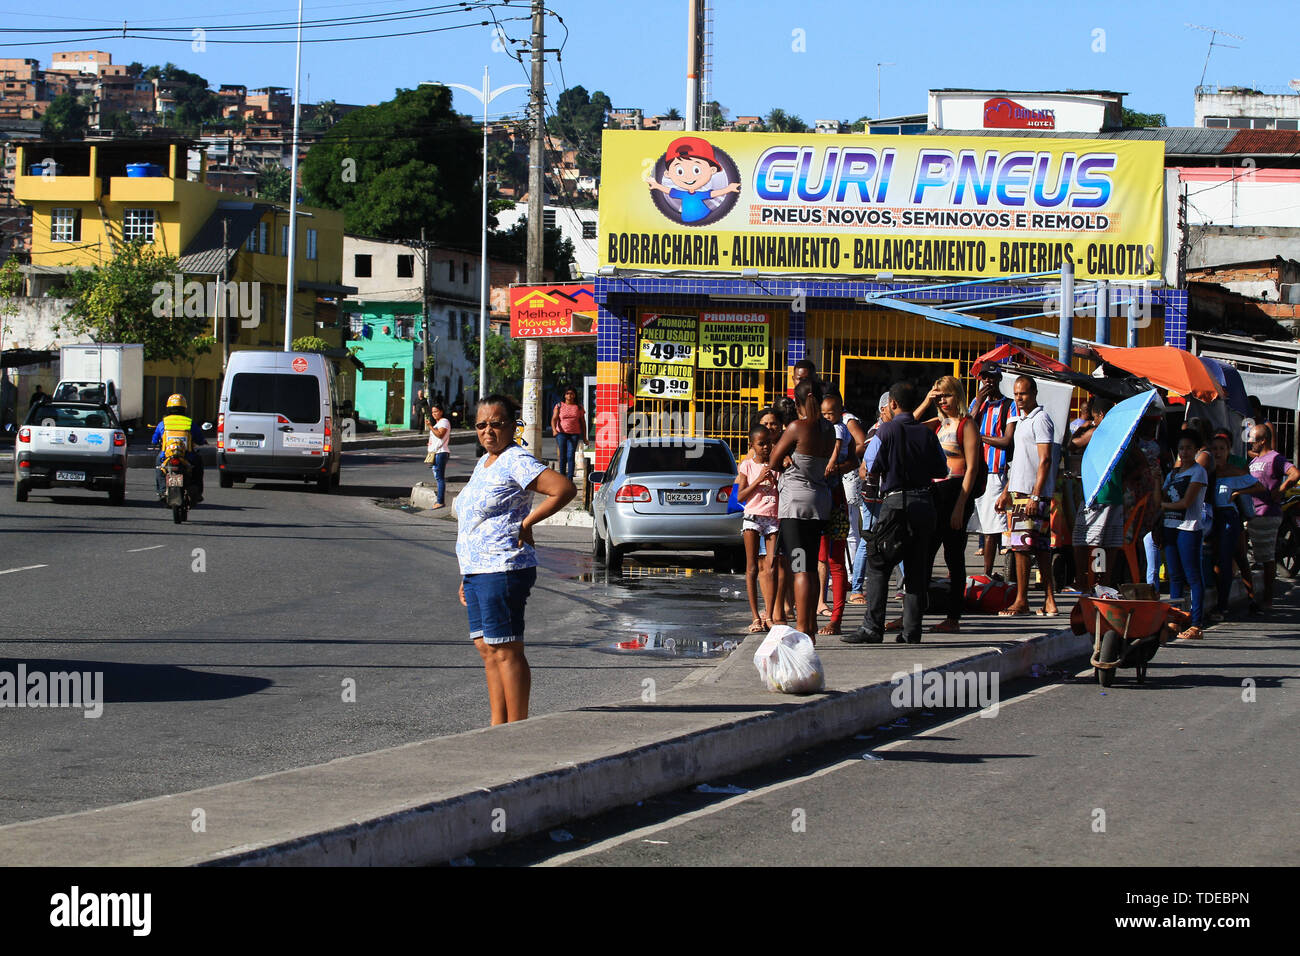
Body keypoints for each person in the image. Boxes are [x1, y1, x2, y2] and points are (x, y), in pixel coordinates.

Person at [456, 394, 576, 725]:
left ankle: (517, 728)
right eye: (482, 425)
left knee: (507, 650)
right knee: (487, 648)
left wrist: (526, 523)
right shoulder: (484, 462)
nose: (488, 431)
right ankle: (498, 724)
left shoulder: (515, 460)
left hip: (504, 566)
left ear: (513, 426)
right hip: (478, 570)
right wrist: (466, 576)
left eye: (497, 424)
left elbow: (563, 489)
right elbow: (473, 521)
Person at [846, 381, 947, 645]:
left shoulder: (885, 431)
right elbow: (942, 470)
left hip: (895, 502)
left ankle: (872, 628)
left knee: (878, 563)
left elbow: (869, 466)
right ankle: (912, 631)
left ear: (892, 403)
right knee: (916, 568)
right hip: (924, 504)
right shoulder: (927, 434)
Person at [769, 377, 837, 641]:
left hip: (795, 507)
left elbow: (774, 461)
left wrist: (785, 459)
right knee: (811, 562)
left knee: (799, 567)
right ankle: (809, 625)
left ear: (796, 402)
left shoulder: (797, 427)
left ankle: (802, 627)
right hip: (819, 504)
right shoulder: (829, 430)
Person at [915, 374, 980, 633]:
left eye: (947, 395)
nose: (942, 400)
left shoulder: (967, 425)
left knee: (954, 557)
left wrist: (960, 506)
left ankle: (953, 617)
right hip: (935, 492)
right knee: (924, 556)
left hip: (956, 492)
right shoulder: (938, 424)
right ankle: (915, 613)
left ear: (958, 395)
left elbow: (972, 468)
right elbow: (905, 424)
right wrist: (925, 400)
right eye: (939, 396)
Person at [997, 376, 1059, 617]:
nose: (1018, 398)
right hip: (1018, 490)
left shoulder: (1041, 419)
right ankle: (1050, 601)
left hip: (1032, 494)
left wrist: (1035, 495)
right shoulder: (1020, 420)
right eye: (1015, 394)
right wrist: (1005, 492)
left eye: (1022, 393)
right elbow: (1019, 461)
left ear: (1033, 393)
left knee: (1022, 548)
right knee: (1040, 549)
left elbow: (1045, 460)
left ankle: (1022, 600)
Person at [1207, 431, 1267, 623]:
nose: (1217, 452)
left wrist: (1238, 492)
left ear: (1228, 451)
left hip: (1229, 518)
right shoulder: (1206, 470)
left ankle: (1223, 605)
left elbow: (1259, 487)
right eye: (1214, 449)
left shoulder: (1234, 470)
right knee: (1216, 560)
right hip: (1210, 517)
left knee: (1229, 560)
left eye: (1221, 449)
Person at [1068, 396, 1126, 592]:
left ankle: (1082, 580)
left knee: (1082, 540)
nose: (1093, 421)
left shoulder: (1097, 432)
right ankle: (1103, 582)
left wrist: (1081, 429)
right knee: (1107, 543)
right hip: (1115, 496)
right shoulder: (1123, 434)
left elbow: (1072, 445)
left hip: (1096, 494)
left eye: (1094, 417)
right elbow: (1139, 463)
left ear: (1101, 415)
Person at [1160, 430, 1209, 640]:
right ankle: (1175, 620)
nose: (1185, 451)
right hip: (1170, 526)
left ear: (1196, 450)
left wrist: (1161, 505)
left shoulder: (1199, 473)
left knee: (1193, 577)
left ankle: (1196, 624)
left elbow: (1186, 502)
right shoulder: (1173, 474)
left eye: (1189, 448)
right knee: (1175, 576)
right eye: (1182, 448)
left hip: (1189, 528)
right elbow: (1161, 493)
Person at [1246, 423, 1300, 609]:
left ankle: (1268, 599)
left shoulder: (1275, 458)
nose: (1251, 443)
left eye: (1254, 440)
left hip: (1267, 514)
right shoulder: (1254, 461)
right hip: (1253, 513)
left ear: (1263, 440)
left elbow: (1294, 473)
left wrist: (1282, 489)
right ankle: (1255, 597)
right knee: (1255, 557)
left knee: (1267, 556)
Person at [970, 366, 1016, 577]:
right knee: (967, 524)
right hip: (973, 470)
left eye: (991, 378)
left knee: (991, 527)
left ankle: (987, 574)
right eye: (984, 378)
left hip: (994, 472)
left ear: (998, 379)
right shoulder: (977, 405)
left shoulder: (1009, 405)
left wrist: (981, 438)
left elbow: (1007, 440)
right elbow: (965, 426)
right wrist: (978, 402)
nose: (988, 382)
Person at [848, 390, 893, 604]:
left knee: (893, 538)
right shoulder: (877, 432)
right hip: (875, 495)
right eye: (893, 406)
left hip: (884, 493)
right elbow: (868, 467)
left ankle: (905, 585)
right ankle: (857, 587)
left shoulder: (887, 429)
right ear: (884, 409)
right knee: (868, 538)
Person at [735, 423, 780, 632]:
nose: (765, 448)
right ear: (751, 444)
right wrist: (759, 480)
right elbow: (741, 496)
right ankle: (755, 617)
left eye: (768, 443)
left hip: (772, 517)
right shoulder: (747, 465)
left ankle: (769, 615)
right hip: (753, 517)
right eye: (761, 444)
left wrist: (774, 478)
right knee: (752, 567)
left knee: (771, 567)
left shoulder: (777, 464)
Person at [151, 393, 206, 502]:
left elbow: (154, 440)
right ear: (184, 408)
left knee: (159, 467)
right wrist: (203, 441)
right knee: (198, 465)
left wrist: (155, 443)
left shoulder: (163, 423)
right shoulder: (190, 423)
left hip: (166, 457)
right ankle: (197, 491)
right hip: (188, 458)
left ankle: (162, 491)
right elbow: (200, 439)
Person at [550, 386, 587, 481]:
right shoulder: (559, 406)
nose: (569, 395)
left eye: (571, 393)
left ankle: (569, 479)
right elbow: (554, 419)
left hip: (574, 434)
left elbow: (583, 423)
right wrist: (554, 430)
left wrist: (585, 437)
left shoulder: (578, 407)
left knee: (570, 455)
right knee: (562, 455)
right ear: (564, 395)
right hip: (561, 434)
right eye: (567, 393)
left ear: (574, 395)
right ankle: (562, 478)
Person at [426, 401, 452, 509]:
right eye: (433, 412)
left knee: (440, 478)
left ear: (441, 412)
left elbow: (440, 435)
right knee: (437, 477)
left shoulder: (444, 422)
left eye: (436, 411)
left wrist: (430, 426)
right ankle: (439, 500)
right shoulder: (438, 423)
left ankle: (440, 501)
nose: (434, 414)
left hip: (441, 453)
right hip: (435, 452)